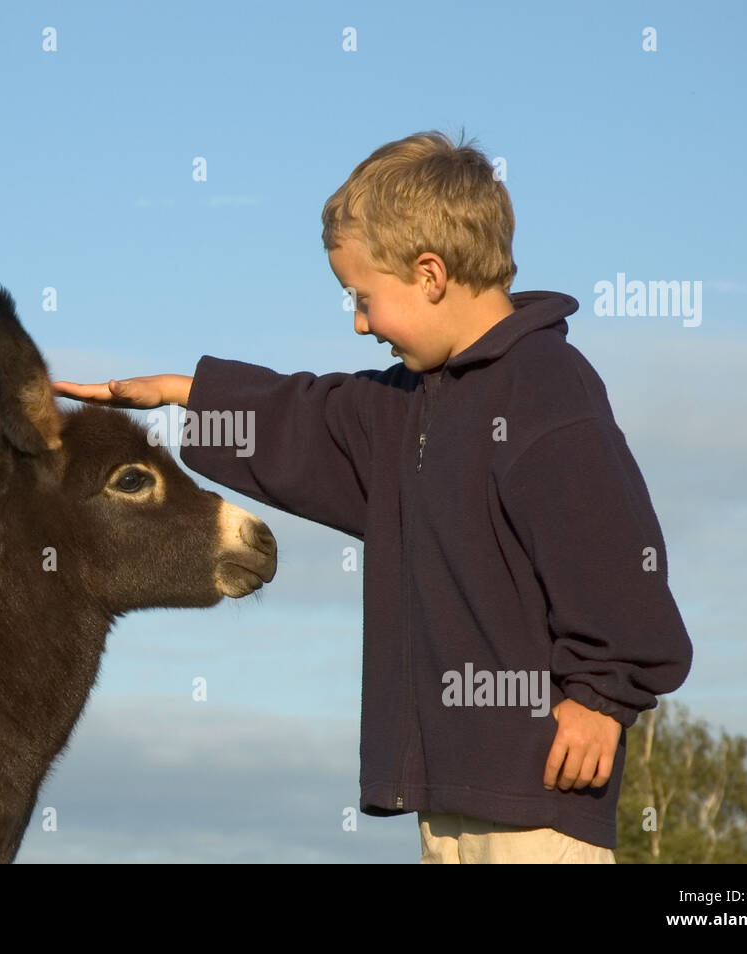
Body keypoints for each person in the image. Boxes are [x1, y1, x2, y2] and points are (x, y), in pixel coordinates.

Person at [53, 130, 693, 863]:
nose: (359, 323)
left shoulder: (547, 389)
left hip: (536, 806)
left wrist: (601, 700)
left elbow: (615, 557)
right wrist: (180, 394)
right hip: (446, 803)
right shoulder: (405, 408)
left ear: (429, 273)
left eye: (362, 298)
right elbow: (304, 418)